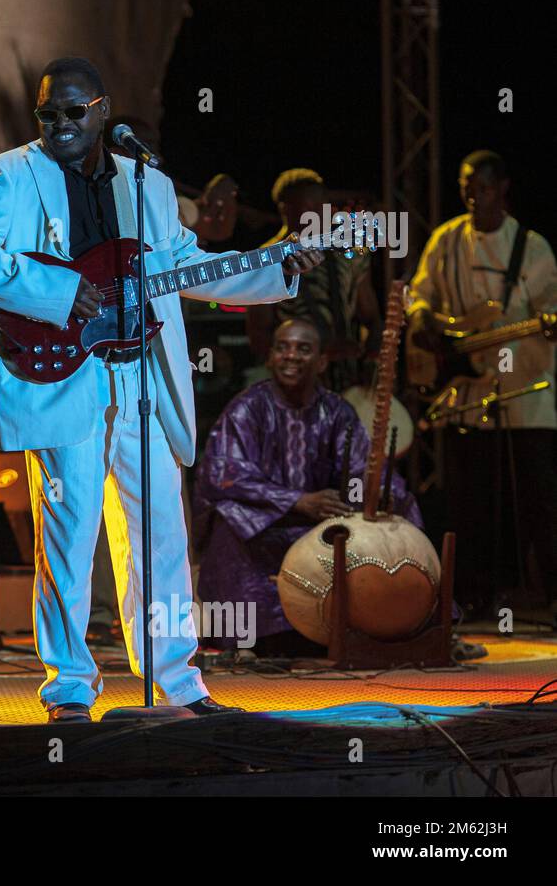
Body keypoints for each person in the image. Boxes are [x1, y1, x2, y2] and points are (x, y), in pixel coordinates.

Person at [0, 57, 323, 721]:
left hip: (138, 373)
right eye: (48, 113)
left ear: (102, 112)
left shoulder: (144, 182)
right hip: (63, 372)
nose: (58, 124)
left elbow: (184, 266)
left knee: (160, 534)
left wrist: (275, 267)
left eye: (72, 112)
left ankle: (179, 680)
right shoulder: (12, 174)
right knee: (69, 534)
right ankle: (67, 690)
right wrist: (62, 292)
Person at [193, 319, 422, 656]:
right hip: (266, 527)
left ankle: (409, 618)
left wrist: (377, 495)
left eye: (303, 349)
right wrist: (297, 501)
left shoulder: (337, 411)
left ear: (322, 361)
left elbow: (361, 467)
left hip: (321, 529)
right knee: (228, 519)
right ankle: (254, 635)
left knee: (395, 508)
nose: (291, 356)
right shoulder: (247, 408)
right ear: (270, 357)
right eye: (282, 347)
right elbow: (222, 474)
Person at [408, 150, 557, 618]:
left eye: (483, 186)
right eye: (466, 185)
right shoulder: (446, 239)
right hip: (465, 395)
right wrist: (424, 319)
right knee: (469, 503)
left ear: (503, 188)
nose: (474, 194)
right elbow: (419, 294)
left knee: (537, 499)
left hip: (525, 390)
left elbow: (548, 313)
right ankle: (471, 598)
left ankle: (547, 596)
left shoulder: (531, 247)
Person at [246, 168, 381, 390]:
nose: (317, 212)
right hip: (294, 385)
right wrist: (316, 354)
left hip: (348, 383)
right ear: (285, 209)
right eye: (307, 206)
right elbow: (259, 337)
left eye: (321, 205)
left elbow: (372, 318)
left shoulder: (349, 254)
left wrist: (371, 358)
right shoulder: (266, 259)